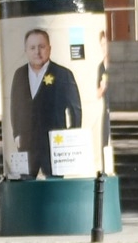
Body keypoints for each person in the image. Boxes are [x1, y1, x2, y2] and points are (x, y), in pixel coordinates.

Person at [6, 29, 84, 178]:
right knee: (26, 185)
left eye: (41, 46)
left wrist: (71, 137)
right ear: (26, 51)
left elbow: (75, 109)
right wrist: (17, 134)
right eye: (32, 48)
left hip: (54, 144)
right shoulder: (19, 74)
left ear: (49, 48)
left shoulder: (63, 74)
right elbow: (15, 107)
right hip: (27, 144)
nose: (37, 52)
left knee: (55, 184)